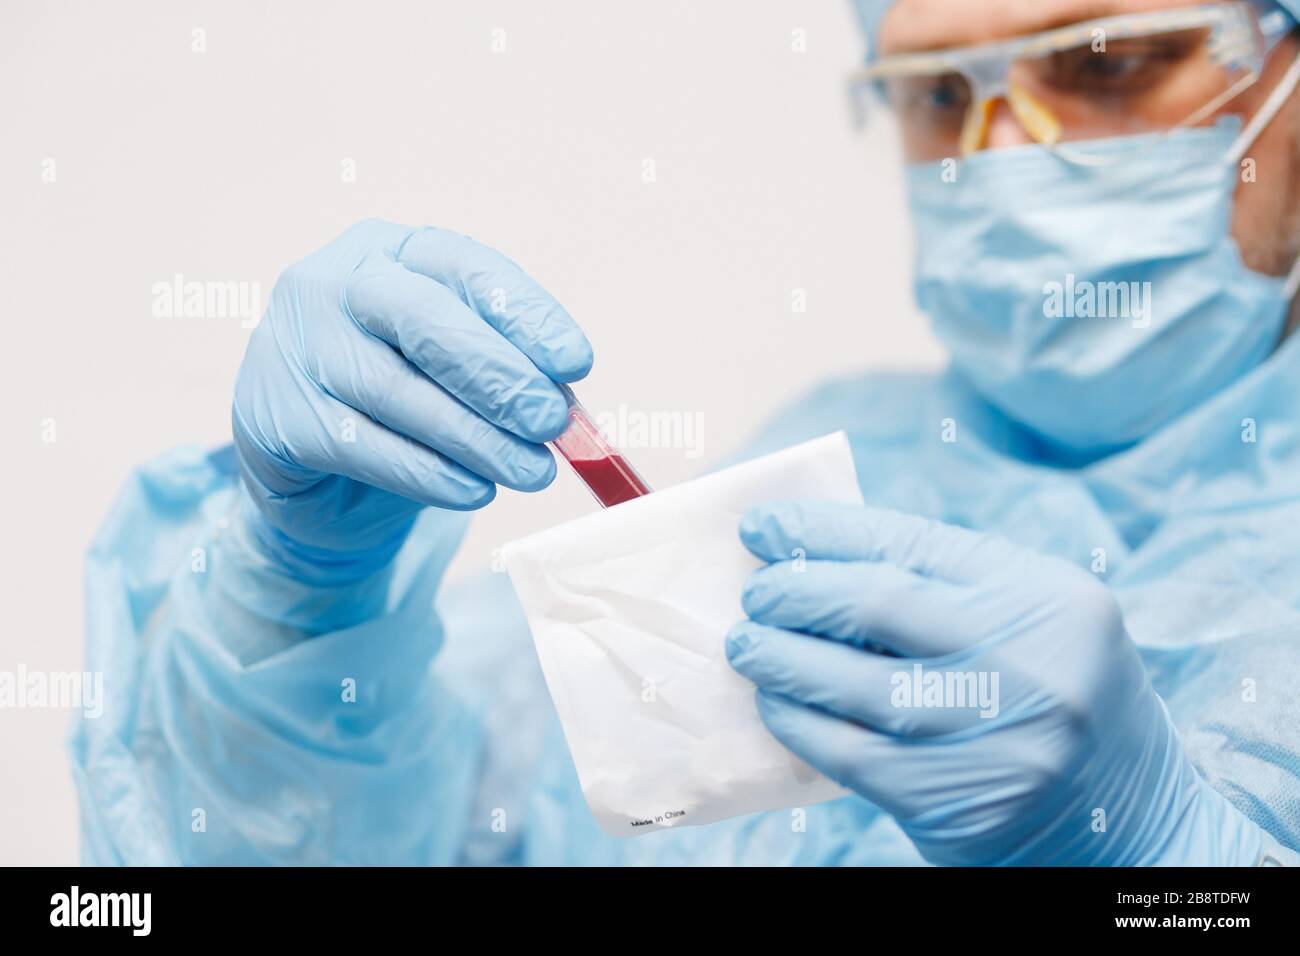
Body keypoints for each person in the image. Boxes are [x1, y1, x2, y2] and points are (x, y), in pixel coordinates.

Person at [73, 0, 1300, 865]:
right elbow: (398, 843)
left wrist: (1164, 859)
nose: (1005, 155)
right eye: (934, 92)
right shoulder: (843, 452)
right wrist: (296, 598)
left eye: (1101, 62)